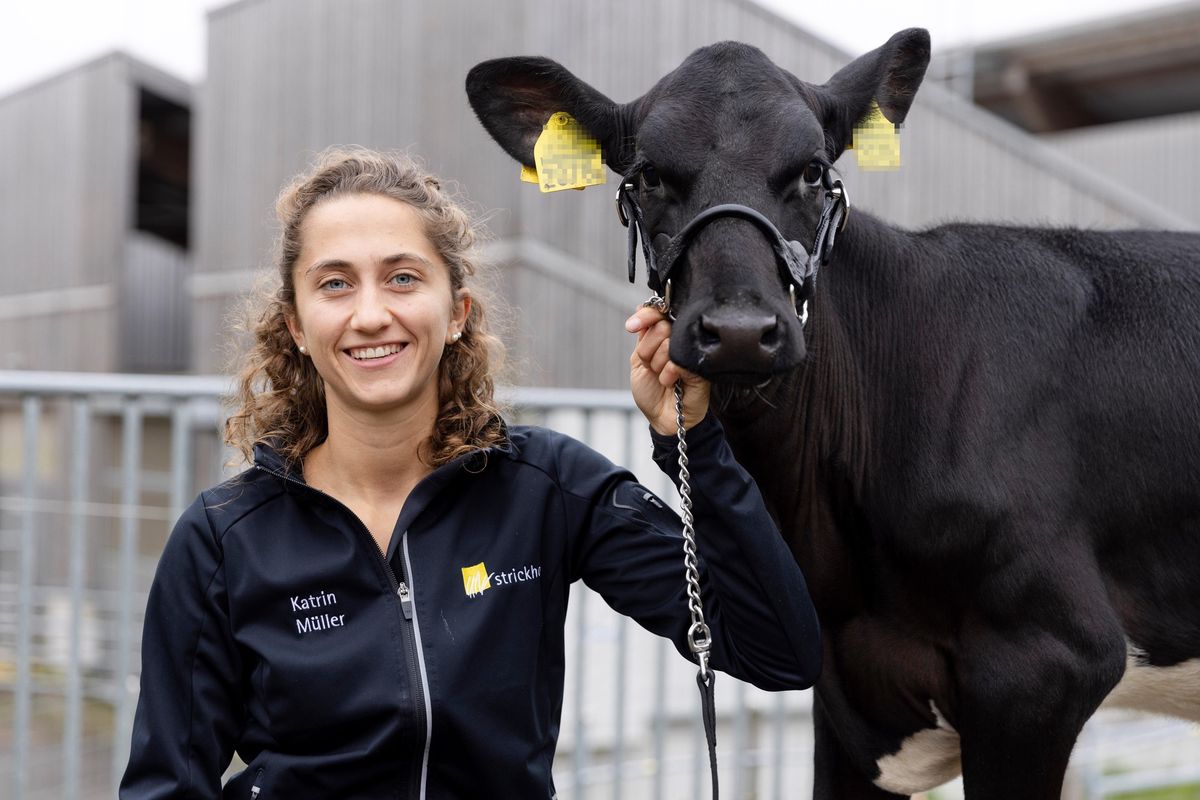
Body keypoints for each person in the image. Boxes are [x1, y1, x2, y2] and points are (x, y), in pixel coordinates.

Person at [120, 148, 820, 799]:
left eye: (402, 277)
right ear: (298, 326)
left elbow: (779, 651)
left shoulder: (544, 486)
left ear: (455, 313)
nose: (371, 314)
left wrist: (690, 439)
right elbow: (164, 787)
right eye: (335, 284)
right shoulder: (221, 539)